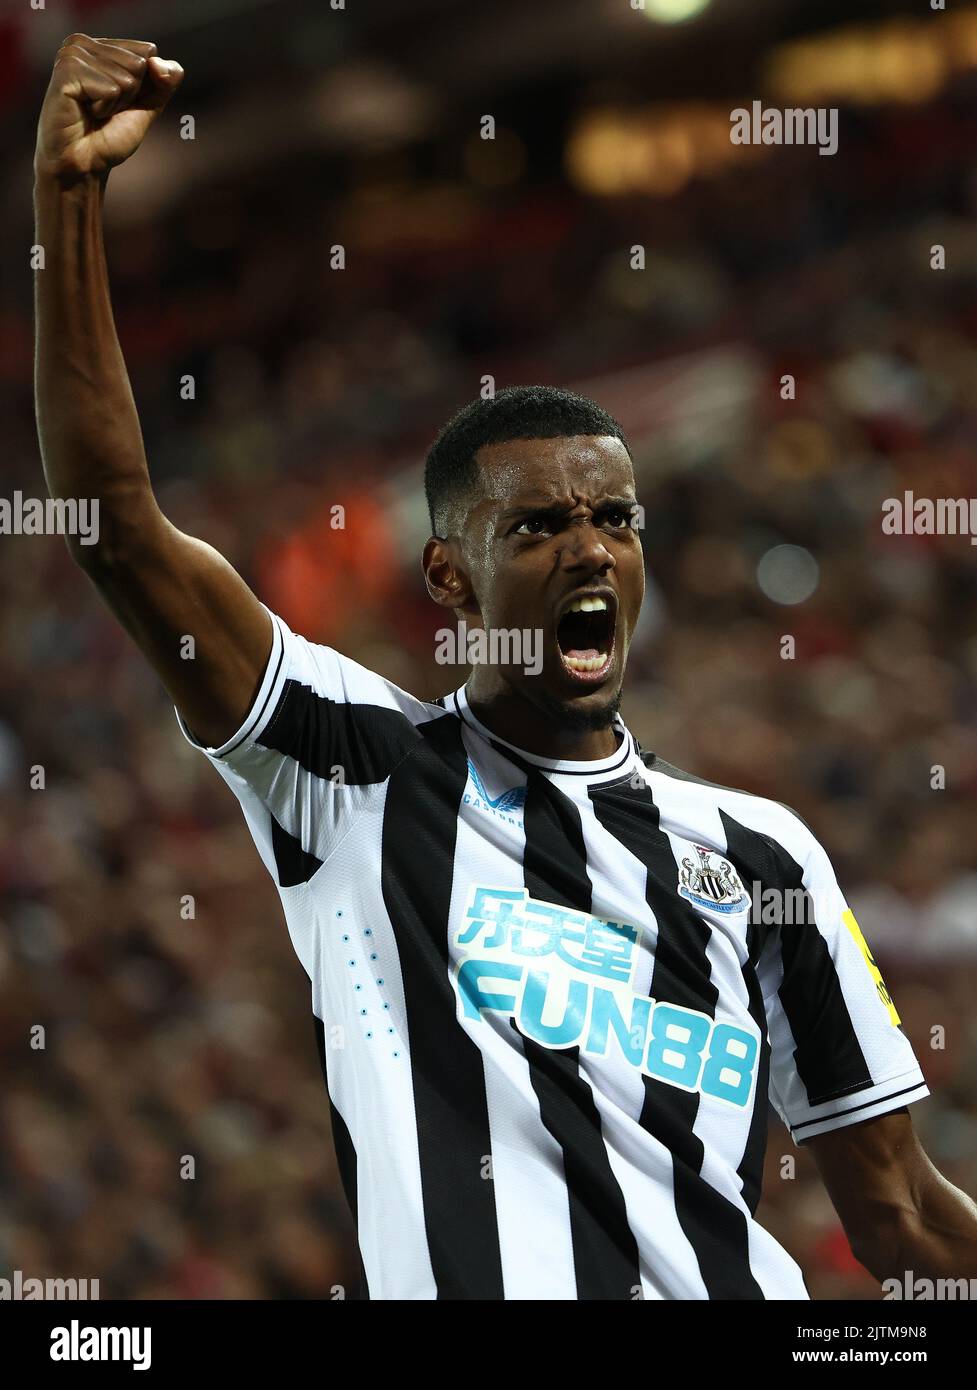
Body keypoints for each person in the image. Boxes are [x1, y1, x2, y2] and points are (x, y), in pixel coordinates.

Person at [33, 33, 977, 1300]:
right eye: (537, 527)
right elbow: (113, 523)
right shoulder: (353, 766)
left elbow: (903, 1212)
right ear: (447, 580)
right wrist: (68, 204)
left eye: (616, 520)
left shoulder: (760, 854)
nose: (590, 549)